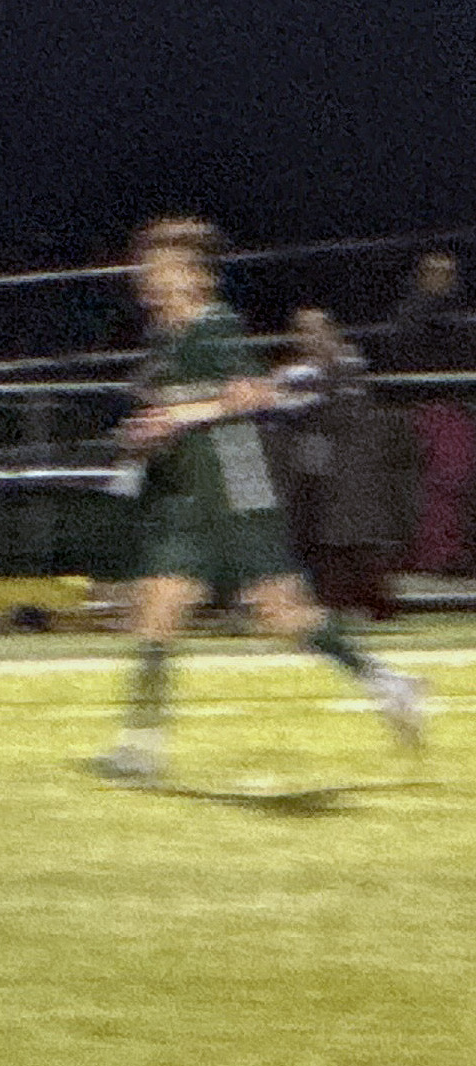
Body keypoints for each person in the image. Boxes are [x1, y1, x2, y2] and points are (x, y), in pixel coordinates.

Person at [89, 220, 424, 785]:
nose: (148, 276)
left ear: (193, 276)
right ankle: (141, 747)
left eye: (161, 266)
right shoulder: (165, 339)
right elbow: (173, 411)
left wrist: (182, 414)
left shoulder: (214, 325)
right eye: (148, 266)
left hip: (236, 484)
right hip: (189, 491)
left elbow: (255, 393)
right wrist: (147, 431)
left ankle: (387, 683)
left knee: (281, 613)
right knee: (155, 609)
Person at [269, 309, 411, 625]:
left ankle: (375, 605)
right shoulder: (302, 371)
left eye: (314, 329)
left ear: (330, 329)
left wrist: (307, 400)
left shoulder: (346, 365)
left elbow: (342, 415)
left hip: (352, 465)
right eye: (302, 330)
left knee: (353, 538)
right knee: (321, 537)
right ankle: (337, 604)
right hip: (316, 467)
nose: (308, 336)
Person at [377, 251, 476, 572]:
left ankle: (444, 549)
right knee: (445, 481)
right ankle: (438, 553)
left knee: (450, 481)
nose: (446, 279)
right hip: (435, 405)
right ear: (424, 274)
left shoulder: (442, 312)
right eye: (438, 272)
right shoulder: (420, 312)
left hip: (445, 404)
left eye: (449, 272)